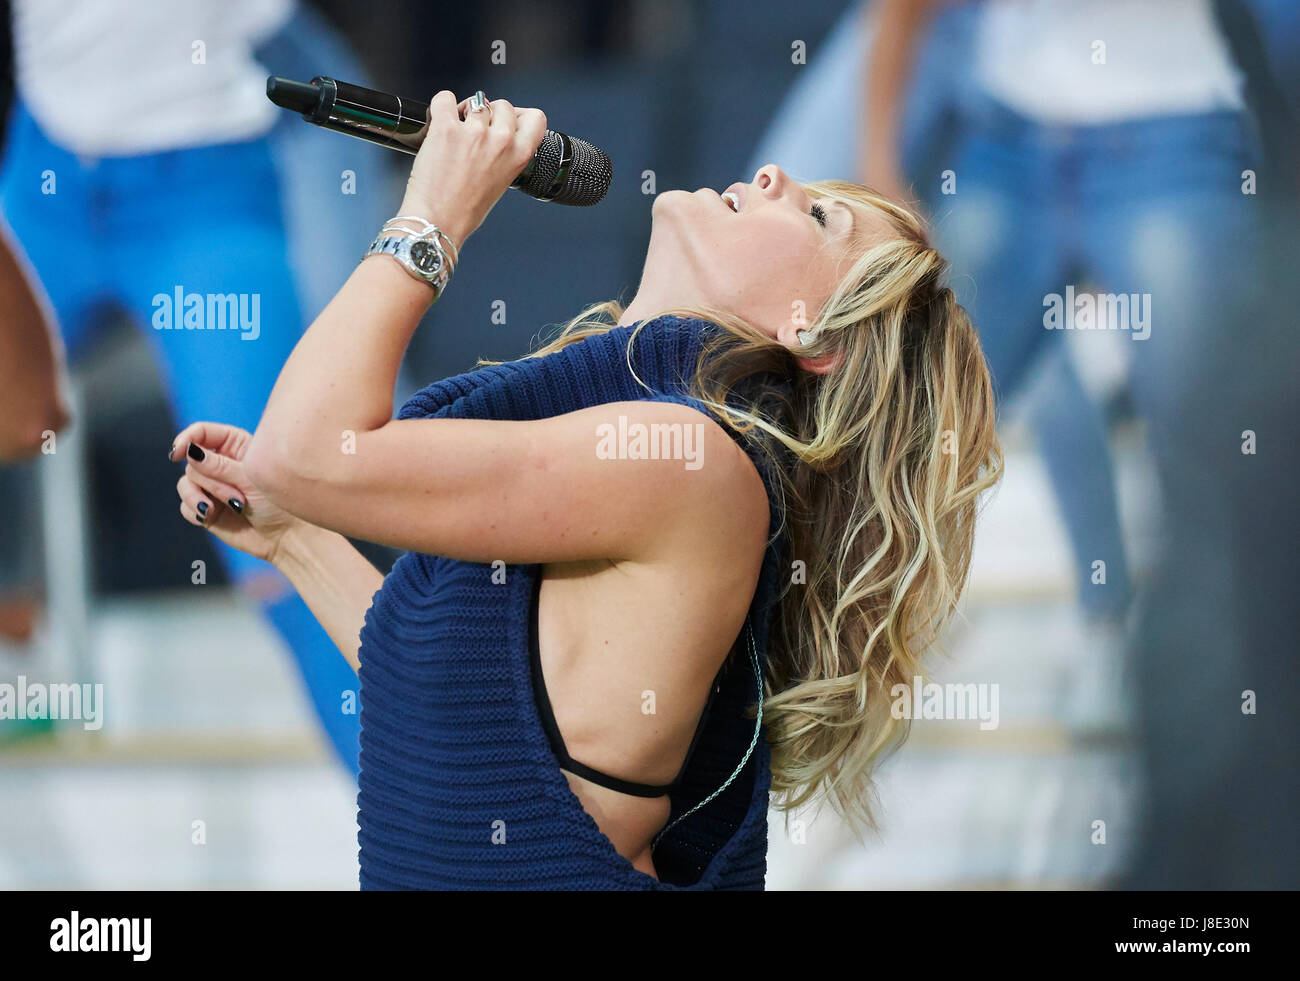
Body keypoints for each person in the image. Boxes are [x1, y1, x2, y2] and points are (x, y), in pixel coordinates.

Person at [169, 90, 1003, 888]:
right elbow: (455, 691)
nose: (779, 177)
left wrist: (434, 217)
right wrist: (293, 538)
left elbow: (307, 454)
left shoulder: (687, 454)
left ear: (810, 334)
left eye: (821, 217)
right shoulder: (631, 421)